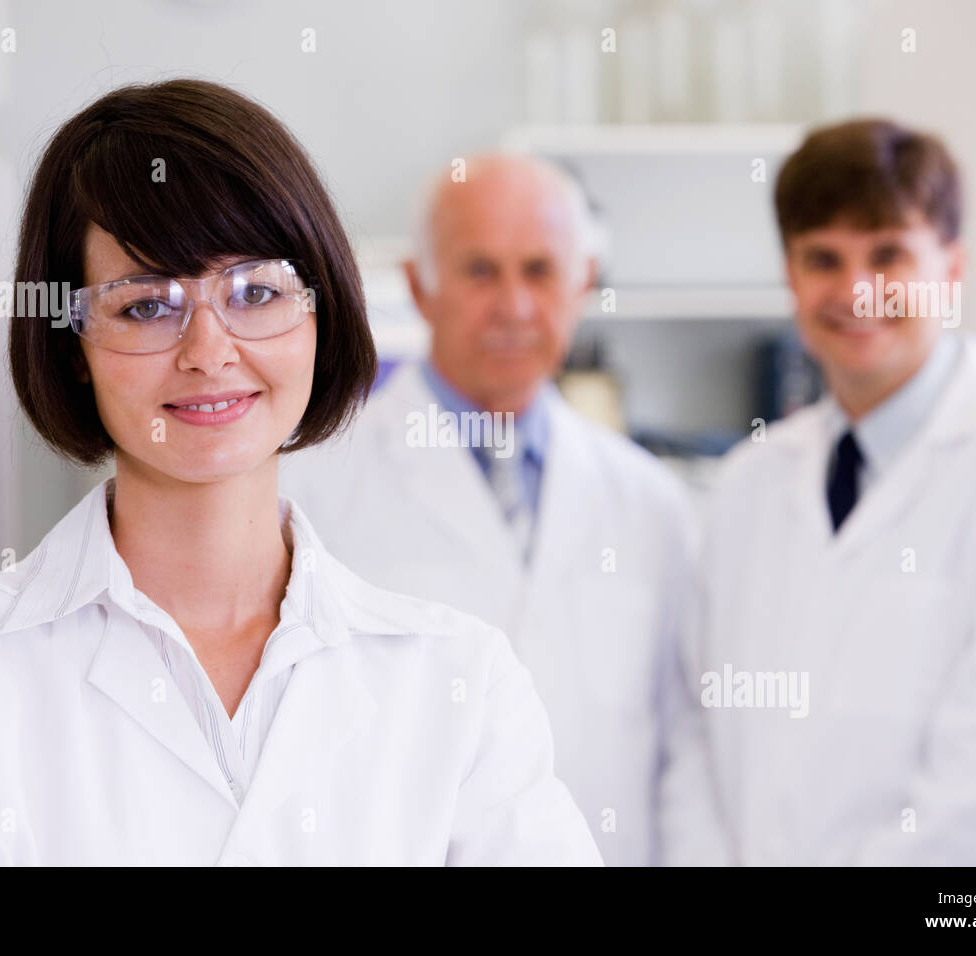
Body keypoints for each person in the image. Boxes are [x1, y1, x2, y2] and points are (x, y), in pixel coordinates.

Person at [0, 79, 601, 866]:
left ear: (319, 315)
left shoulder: (462, 679)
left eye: (256, 292)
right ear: (73, 345)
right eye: (145, 306)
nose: (209, 351)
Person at [665, 118, 976, 865]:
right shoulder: (747, 484)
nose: (856, 292)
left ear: (953, 269)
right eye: (823, 259)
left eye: (888, 255)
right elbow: (695, 738)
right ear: (790, 276)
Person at [280, 154, 698, 866]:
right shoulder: (309, 489)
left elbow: (684, 749)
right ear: (420, 287)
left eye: (540, 271)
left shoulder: (651, 503)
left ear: (582, 283)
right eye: (480, 271)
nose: (514, 306)